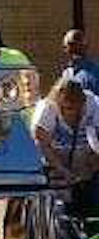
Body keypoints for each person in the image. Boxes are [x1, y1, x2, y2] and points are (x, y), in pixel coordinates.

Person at [34, 78, 99, 216]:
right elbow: (41, 141)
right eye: (66, 108)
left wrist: (94, 161)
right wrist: (63, 171)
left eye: (75, 108)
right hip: (55, 167)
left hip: (86, 167)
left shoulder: (93, 104)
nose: (71, 113)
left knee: (89, 208)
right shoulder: (48, 107)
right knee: (61, 210)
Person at [60, 29, 99, 97]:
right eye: (65, 46)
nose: (66, 49)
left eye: (70, 44)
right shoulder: (67, 72)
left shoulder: (95, 70)